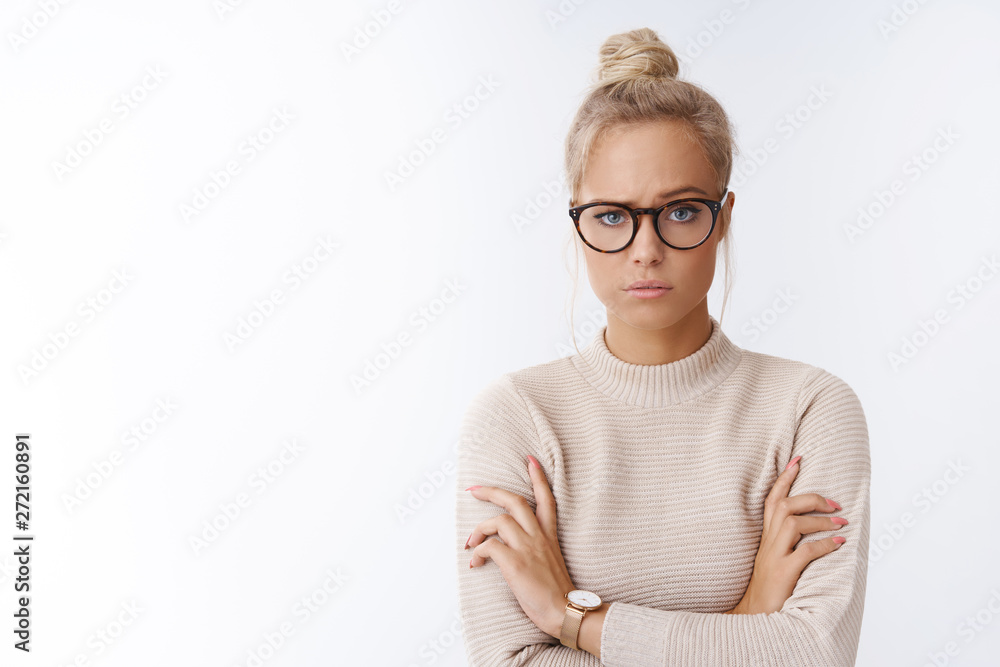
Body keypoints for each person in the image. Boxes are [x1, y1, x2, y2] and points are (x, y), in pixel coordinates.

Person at [454, 27, 870, 667]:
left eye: (679, 211)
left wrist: (573, 618)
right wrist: (750, 621)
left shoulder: (809, 409)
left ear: (723, 218)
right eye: (613, 216)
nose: (645, 249)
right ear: (577, 219)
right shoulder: (516, 418)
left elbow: (814, 656)